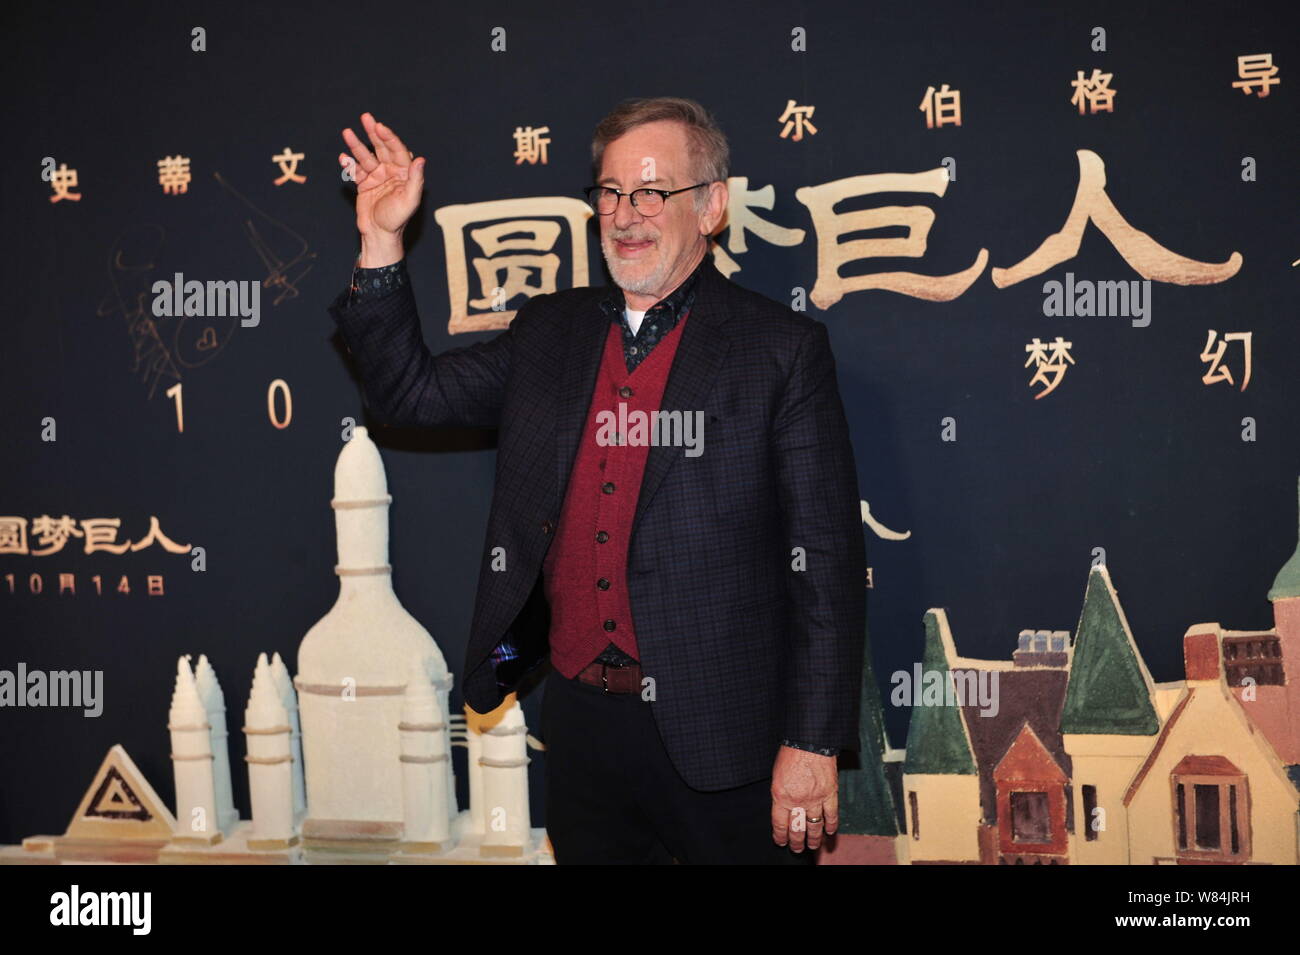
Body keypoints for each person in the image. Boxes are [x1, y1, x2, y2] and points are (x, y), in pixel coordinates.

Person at [329, 96, 866, 864]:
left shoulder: (780, 350)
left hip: (726, 736)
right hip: (581, 725)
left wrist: (812, 741)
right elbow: (407, 395)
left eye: (653, 192)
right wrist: (381, 237)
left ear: (712, 206)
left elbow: (829, 566)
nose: (626, 214)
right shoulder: (550, 331)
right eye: (610, 192)